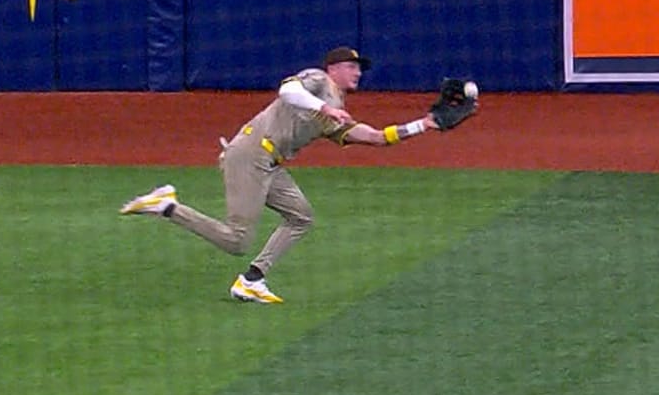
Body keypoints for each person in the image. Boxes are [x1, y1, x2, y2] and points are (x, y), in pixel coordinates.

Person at [118, 46, 475, 303]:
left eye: (359, 68)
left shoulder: (337, 110)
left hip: (270, 165)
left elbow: (376, 138)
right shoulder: (317, 82)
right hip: (250, 155)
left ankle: (252, 280)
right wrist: (323, 107)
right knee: (236, 241)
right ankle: (168, 206)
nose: (358, 72)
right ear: (334, 69)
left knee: (301, 217)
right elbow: (286, 91)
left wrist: (423, 124)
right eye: (352, 66)